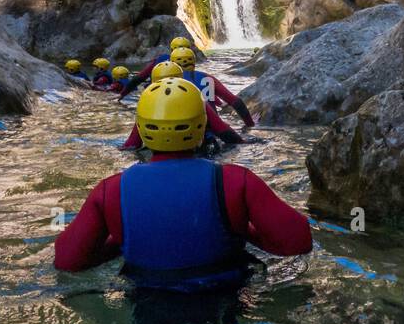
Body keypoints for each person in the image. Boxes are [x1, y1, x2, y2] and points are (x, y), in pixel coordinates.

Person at [54, 75, 311, 290]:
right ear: (201, 126)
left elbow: (67, 261)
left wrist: (121, 243)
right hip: (226, 300)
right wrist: (240, 230)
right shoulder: (236, 181)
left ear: (141, 129)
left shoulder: (110, 191)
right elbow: (298, 240)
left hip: (147, 303)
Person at [120, 62, 243, 150]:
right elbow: (224, 132)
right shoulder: (196, 98)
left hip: (158, 155)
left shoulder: (147, 102)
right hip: (198, 151)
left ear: (153, 81)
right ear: (181, 77)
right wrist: (246, 141)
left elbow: (132, 144)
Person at [170, 45, 255, 130]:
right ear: (194, 61)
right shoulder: (207, 78)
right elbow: (236, 102)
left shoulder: (166, 81)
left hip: (175, 132)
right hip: (212, 129)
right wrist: (250, 124)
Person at [119, 34, 195, 97]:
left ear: (171, 50)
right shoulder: (194, 69)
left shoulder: (161, 60)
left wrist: (122, 94)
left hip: (156, 94)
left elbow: (138, 79)